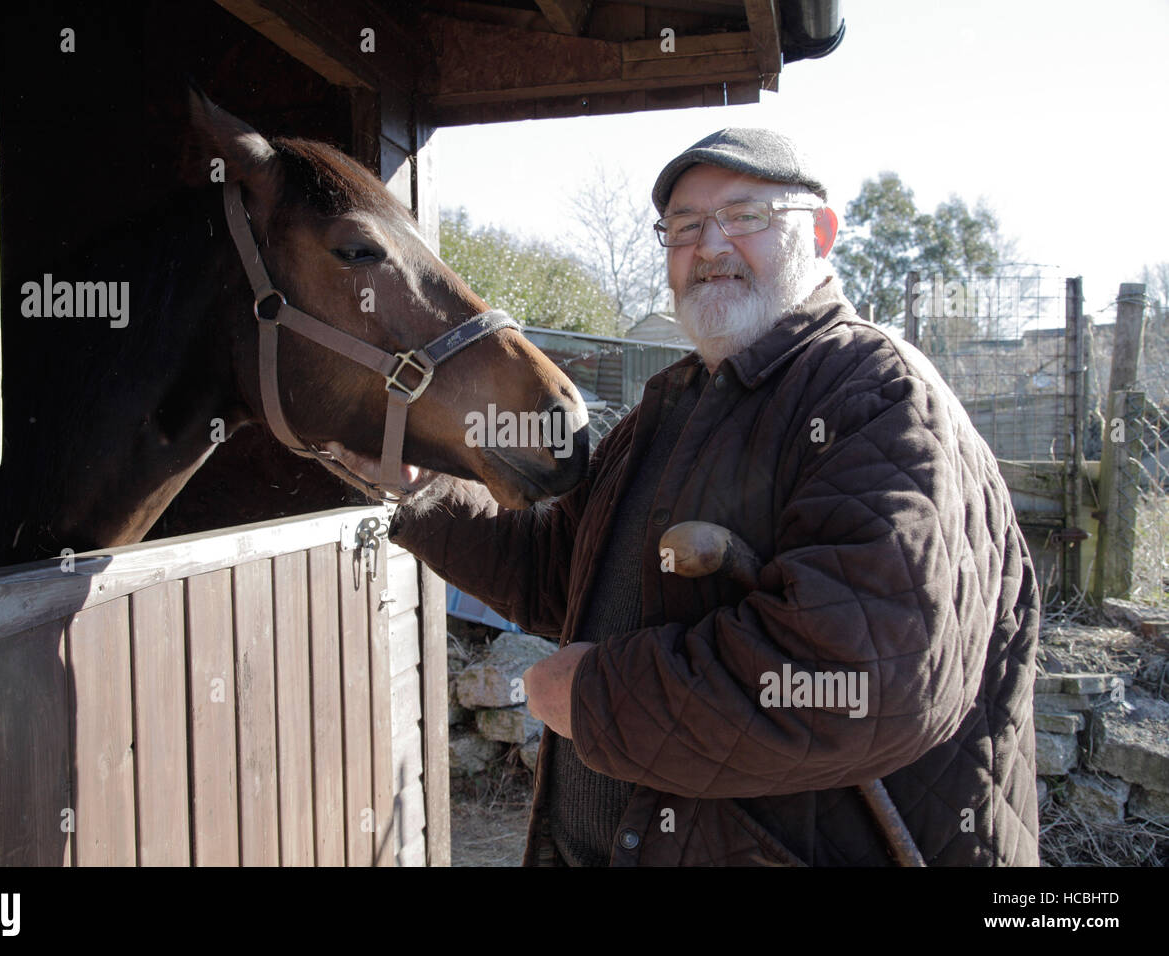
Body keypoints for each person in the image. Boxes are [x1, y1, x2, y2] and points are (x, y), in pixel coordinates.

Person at [388, 128, 1042, 866]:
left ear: (821, 232)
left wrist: (599, 699)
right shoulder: (672, 407)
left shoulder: (878, 398)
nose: (710, 246)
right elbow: (562, 574)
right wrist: (425, 494)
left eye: (746, 216)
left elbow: (860, 680)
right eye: (685, 227)